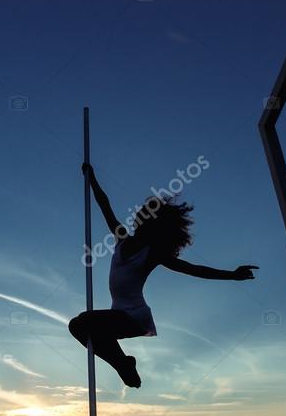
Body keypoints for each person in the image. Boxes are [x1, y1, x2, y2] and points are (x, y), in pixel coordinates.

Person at [69, 163, 258, 388]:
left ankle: (123, 364)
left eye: (146, 219)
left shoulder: (152, 254)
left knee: (82, 323)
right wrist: (91, 178)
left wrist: (232, 275)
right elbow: (104, 204)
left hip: (134, 317)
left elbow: (194, 269)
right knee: (83, 328)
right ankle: (124, 363)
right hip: (118, 314)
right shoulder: (122, 238)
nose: (139, 220)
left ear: (152, 227)